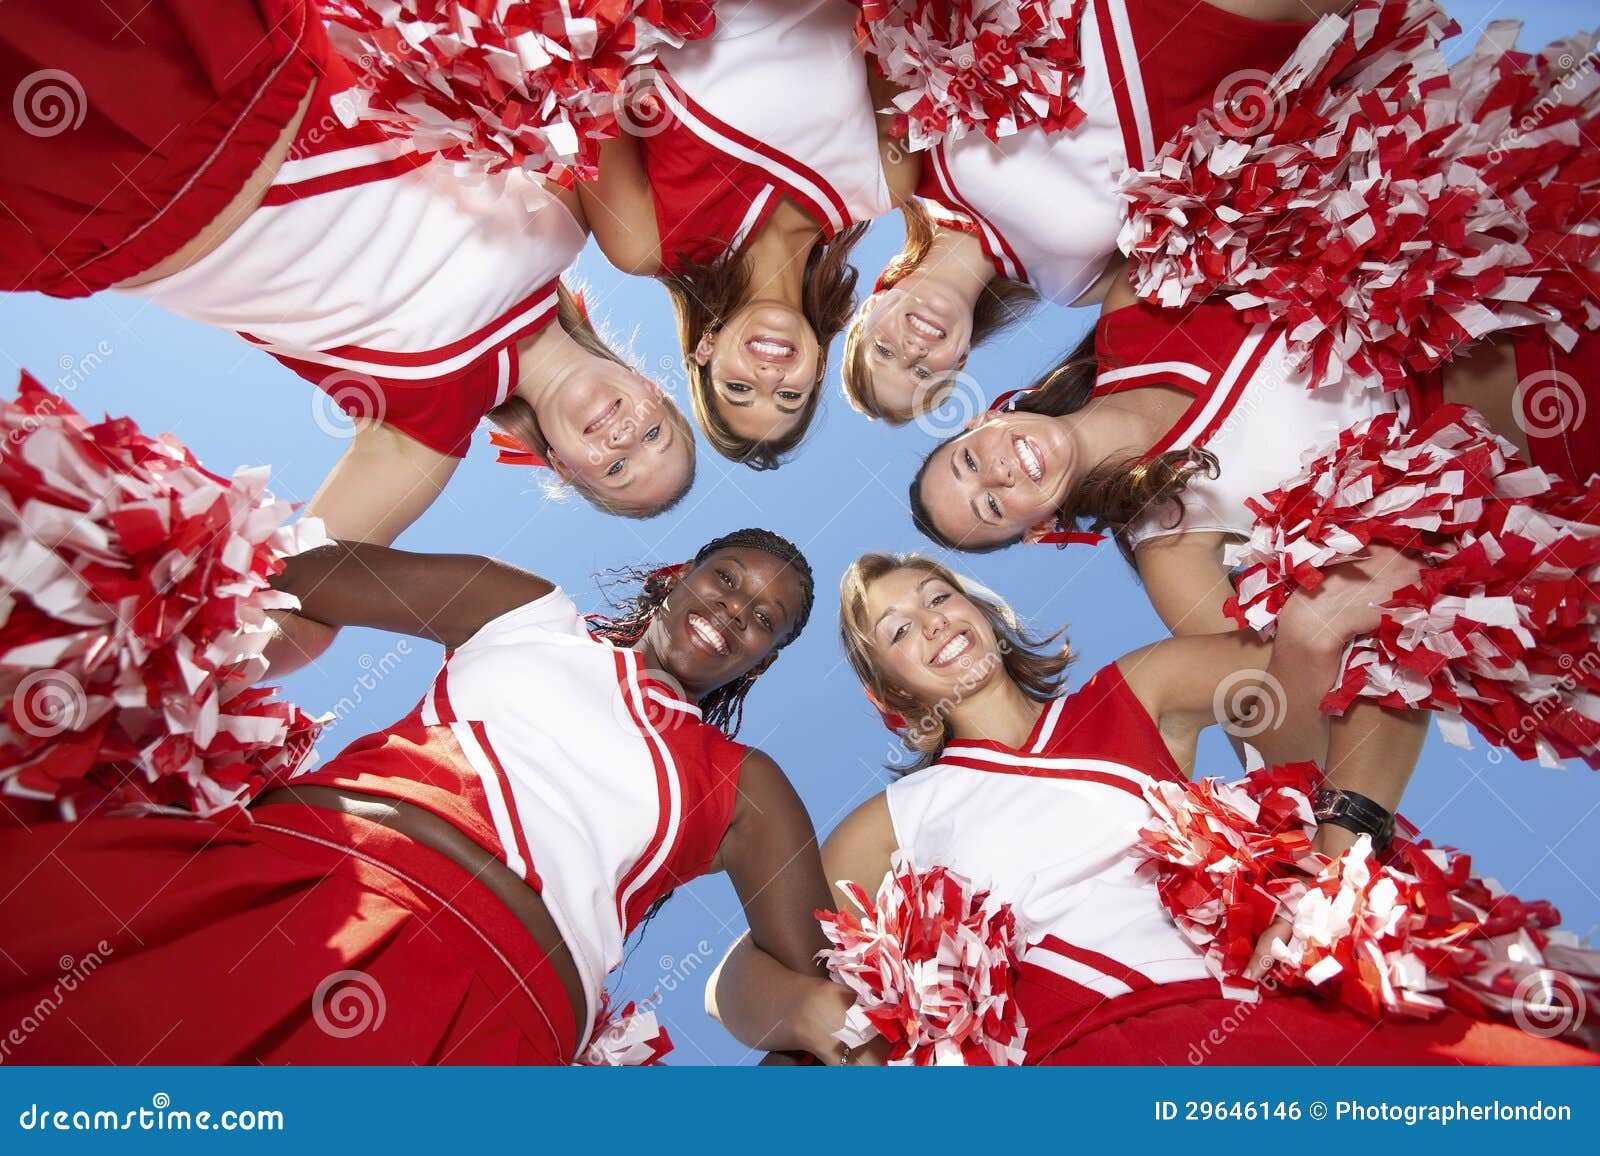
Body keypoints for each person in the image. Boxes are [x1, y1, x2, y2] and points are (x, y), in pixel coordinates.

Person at [707, 553, 1600, 1064]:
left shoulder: (1135, 689)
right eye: (897, 630)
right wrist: (815, 1019)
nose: (933, 621)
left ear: (983, 607)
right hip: (1091, 1058)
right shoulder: (894, 819)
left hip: (1285, 1004)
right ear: (886, 695)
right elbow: (734, 982)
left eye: (939, 595)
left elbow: (1357, 666)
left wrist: (1336, 866)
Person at [0, 527, 836, 1064]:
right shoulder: (529, 614)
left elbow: (825, 989)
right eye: (726, 578)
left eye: (765, 618)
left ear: (760, 660)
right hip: (302, 884)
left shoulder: (745, 785)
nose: (734, 610)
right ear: (677, 576)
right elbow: (307, 575)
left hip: (492, 1017)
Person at [841, 0, 1344, 423]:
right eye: (925, 374)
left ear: (872, 304)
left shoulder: (907, 171)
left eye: (884, 351)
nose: (912, 352)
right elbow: (1204, 234)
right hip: (1223, 55)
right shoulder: (1074, 289)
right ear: (960, 358)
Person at [578, 0, 915, 467]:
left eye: (739, 388)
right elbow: (901, 23)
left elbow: (583, 73)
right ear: (818, 367)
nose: (768, 376)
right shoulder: (883, 181)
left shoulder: (643, 241)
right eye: (788, 396)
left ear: (706, 349)